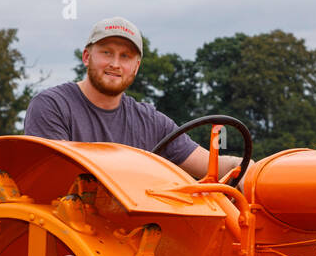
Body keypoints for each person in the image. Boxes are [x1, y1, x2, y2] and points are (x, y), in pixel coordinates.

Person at [24, 17, 240, 180]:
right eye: (107, 52)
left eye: (125, 56)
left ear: (136, 67)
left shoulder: (151, 122)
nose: (115, 64)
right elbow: (54, 181)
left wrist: (248, 169)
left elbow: (211, 165)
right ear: (87, 57)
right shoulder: (52, 106)